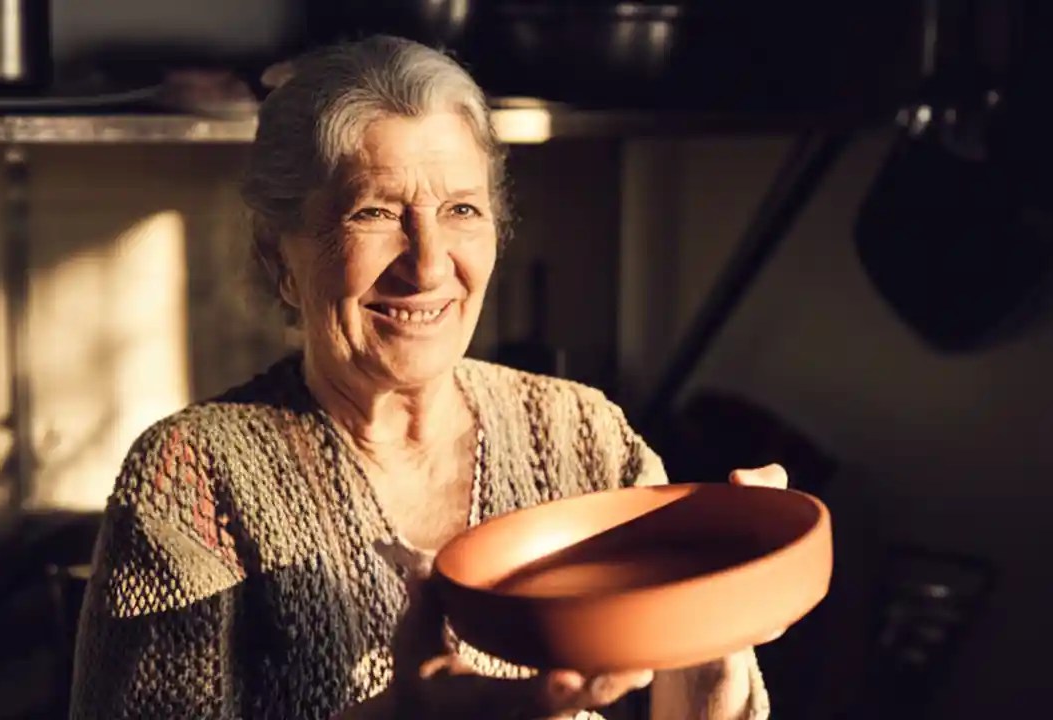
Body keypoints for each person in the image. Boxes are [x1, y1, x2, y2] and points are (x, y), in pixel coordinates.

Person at [70, 35, 787, 720]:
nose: (429, 265)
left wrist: (721, 622)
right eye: (375, 212)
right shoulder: (192, 478)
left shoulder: (585, 436)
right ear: (277, 256)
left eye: (461, 210)